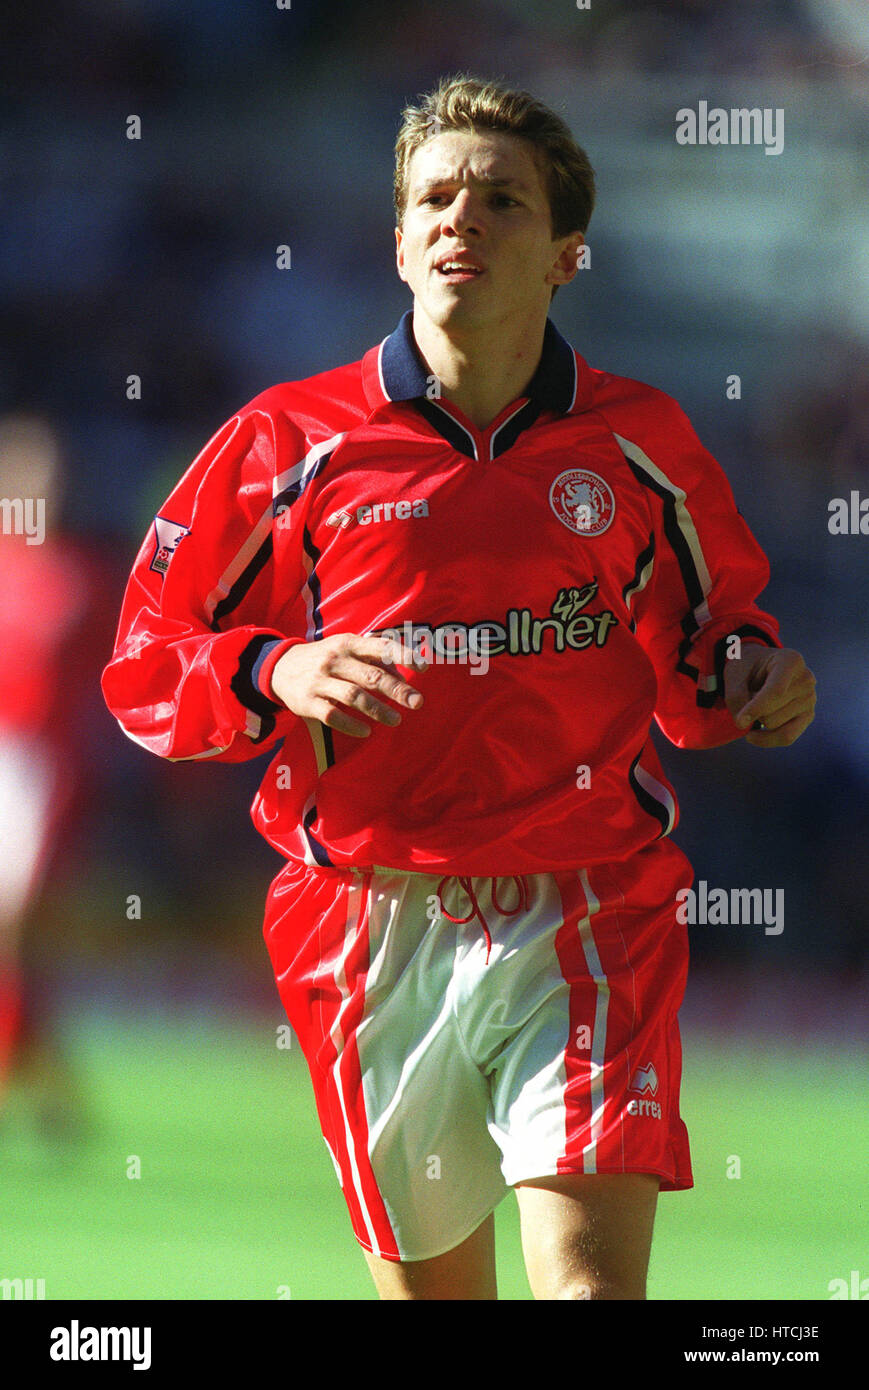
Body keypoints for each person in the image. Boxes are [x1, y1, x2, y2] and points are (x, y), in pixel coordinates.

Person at [102, 74, 816, 1300]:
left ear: (564, 257)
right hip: (365, 924)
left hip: (587, 906)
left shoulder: (639, 444)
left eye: (500, 201)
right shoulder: (285, 440)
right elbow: (143, 667)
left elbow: (711, 644)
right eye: (434, 197)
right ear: (396, 242)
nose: (460, 220)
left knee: (591, 1290)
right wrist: (278, 666)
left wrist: (756, 678)